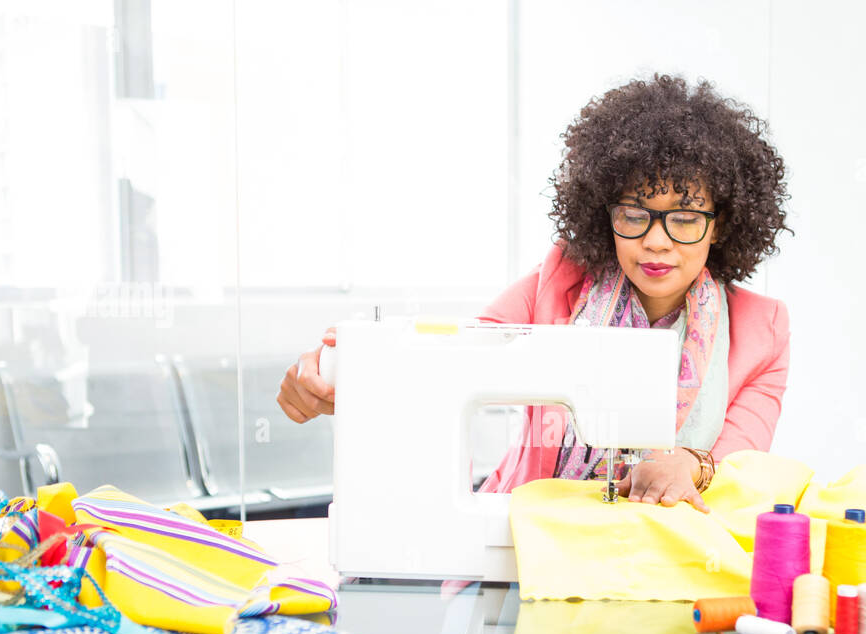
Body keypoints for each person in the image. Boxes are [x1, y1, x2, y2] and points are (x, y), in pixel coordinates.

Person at [278, 73, 792, 505]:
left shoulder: (762, 333)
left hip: (669, 560)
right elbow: (449, 359)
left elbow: (740, 468)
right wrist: (347, 376)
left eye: (683, 218)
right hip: (526, 537)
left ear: (721, 223)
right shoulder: (557, 281)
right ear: (604, 213)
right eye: (634, 215)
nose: (655, 242)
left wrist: (690, 467)